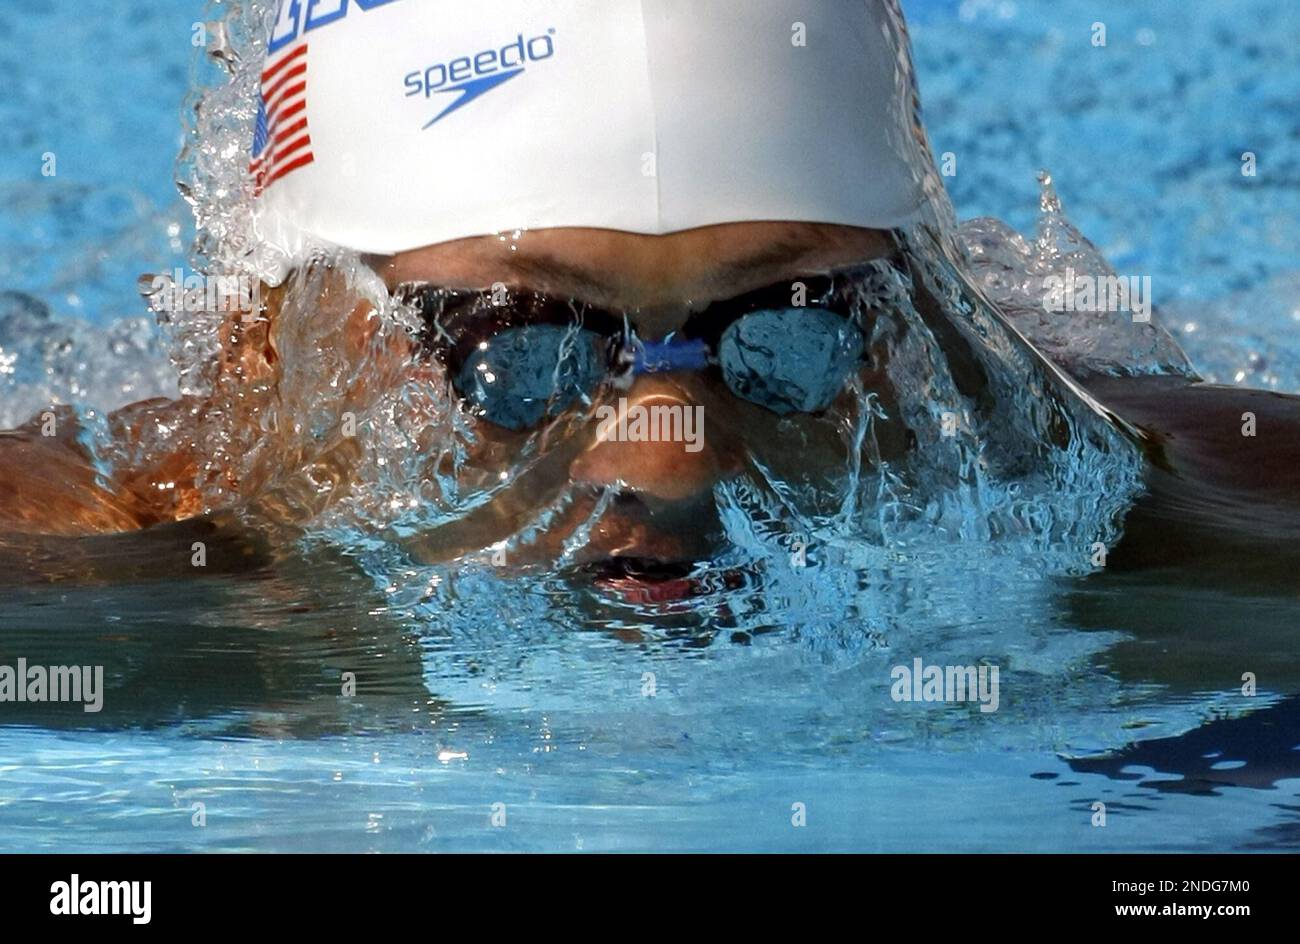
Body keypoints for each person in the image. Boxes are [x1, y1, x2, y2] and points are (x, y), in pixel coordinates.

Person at [3, 0, 1299, 589]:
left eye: (789, 326)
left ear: (930, 323)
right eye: (516, 345)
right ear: (262, 340)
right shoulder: (94, 555)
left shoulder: (1110, 522)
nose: (670, 460)